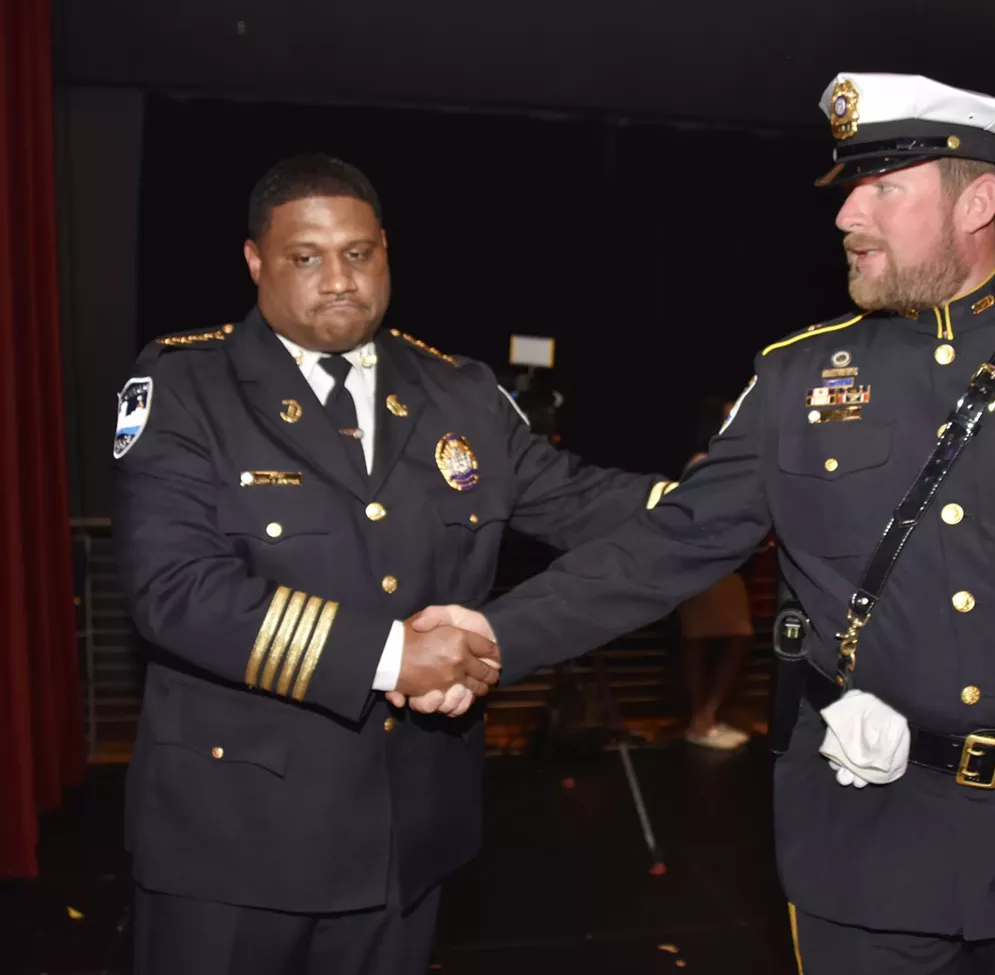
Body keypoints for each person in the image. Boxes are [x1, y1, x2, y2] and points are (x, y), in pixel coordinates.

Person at [409, 74, 995, 973]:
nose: (848, 212)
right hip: (864, 846)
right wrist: (492, 636)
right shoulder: (796, 379)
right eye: (849, 187)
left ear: (978, 199)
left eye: (884, 187)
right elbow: (671, 543)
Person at [112, 153, 674, 975]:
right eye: (306, 257)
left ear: (385, 251)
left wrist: (722, 496)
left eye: (359, 253)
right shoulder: (185, 385)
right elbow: (175, 592)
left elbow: (581, 498)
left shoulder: (458, 391)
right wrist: (389, 655)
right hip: (235, 842)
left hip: (405, 835)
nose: (338, 279)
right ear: (256, 260)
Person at [677, 396, 754, 749]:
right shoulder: (702, 462)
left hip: (728, 562)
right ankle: (700, 721)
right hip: (702, 561)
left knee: (730, 638)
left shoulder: (733, 460)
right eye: (727, 416)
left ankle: (707, 717)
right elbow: (693, 513)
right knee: (703, 639)